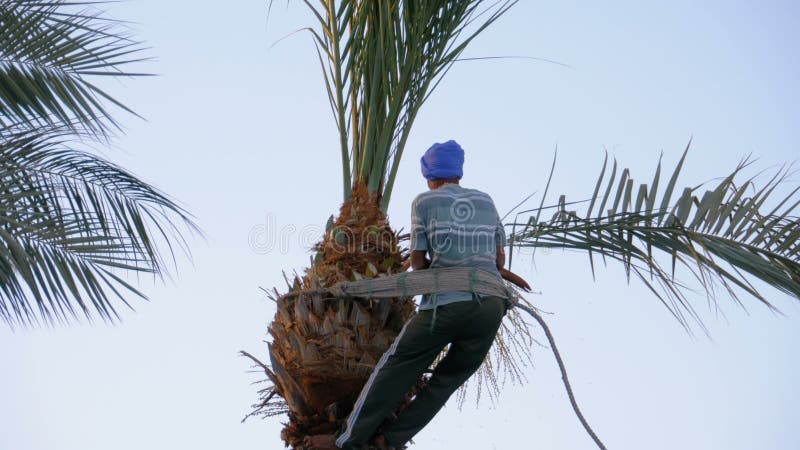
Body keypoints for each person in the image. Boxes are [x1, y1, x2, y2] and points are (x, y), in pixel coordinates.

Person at [305, 140, 531, 450]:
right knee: (445, 382)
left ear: (430, 176)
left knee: (395, 366)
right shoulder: (486, 201)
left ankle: (347, 441)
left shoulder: (424, 202)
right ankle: (389, 441)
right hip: (490, 308)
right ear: (458, 172)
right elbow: (499, 261)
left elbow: (418, 263)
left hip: (447, 306)